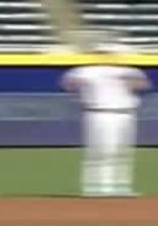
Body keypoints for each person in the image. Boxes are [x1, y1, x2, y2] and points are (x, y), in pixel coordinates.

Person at [60, 42, 150, 197]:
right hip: (99, 112)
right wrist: (83, 91)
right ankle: (93, 187)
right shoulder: (86, 71)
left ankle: (122, 186)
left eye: (112, 53)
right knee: (99, 151)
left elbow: (145, 86)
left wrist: (132, 84)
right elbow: (67, 83)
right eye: (105, 52)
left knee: (123, 152)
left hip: (126, 113)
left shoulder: (130, 71)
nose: (109, 55)